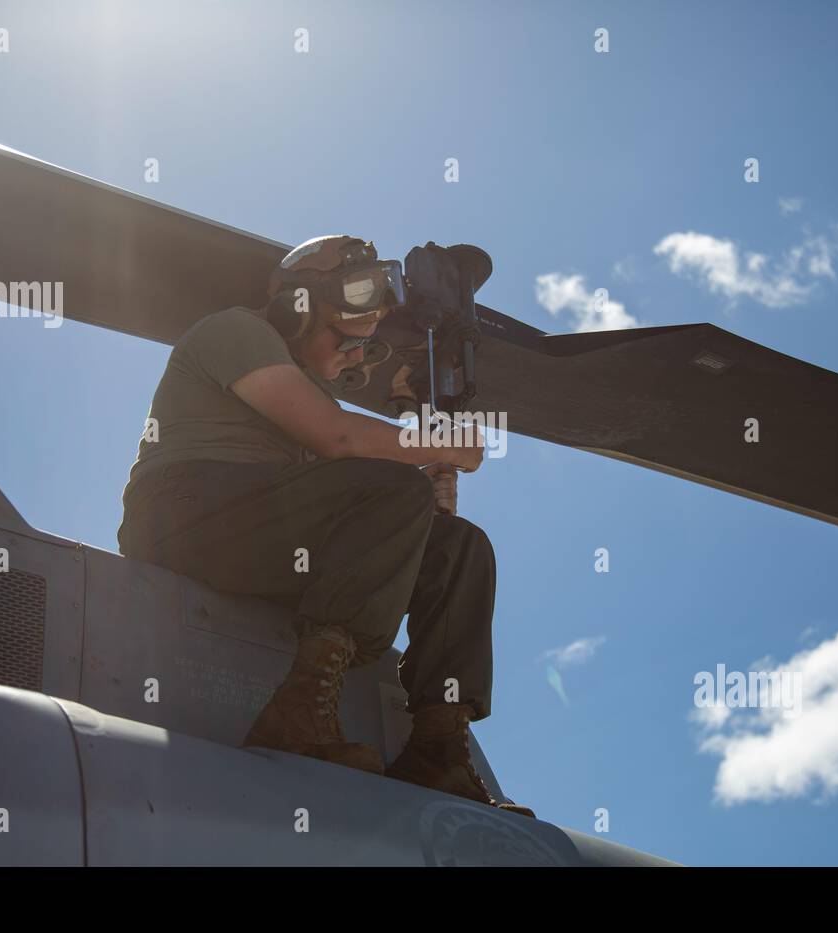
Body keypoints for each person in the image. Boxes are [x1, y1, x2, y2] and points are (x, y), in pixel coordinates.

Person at [116, 235, 532, 816]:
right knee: (390, 487)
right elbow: (338, 437)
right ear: (298, 307)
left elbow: (385, 522)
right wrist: (440, 445)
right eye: (344, 339)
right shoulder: (236, 331)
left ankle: (439, 744)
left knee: (459, 549)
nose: (354, 358)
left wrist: (426, 481)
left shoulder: (309, 398)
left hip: (261, 531)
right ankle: (304, 706)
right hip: (183, 514)